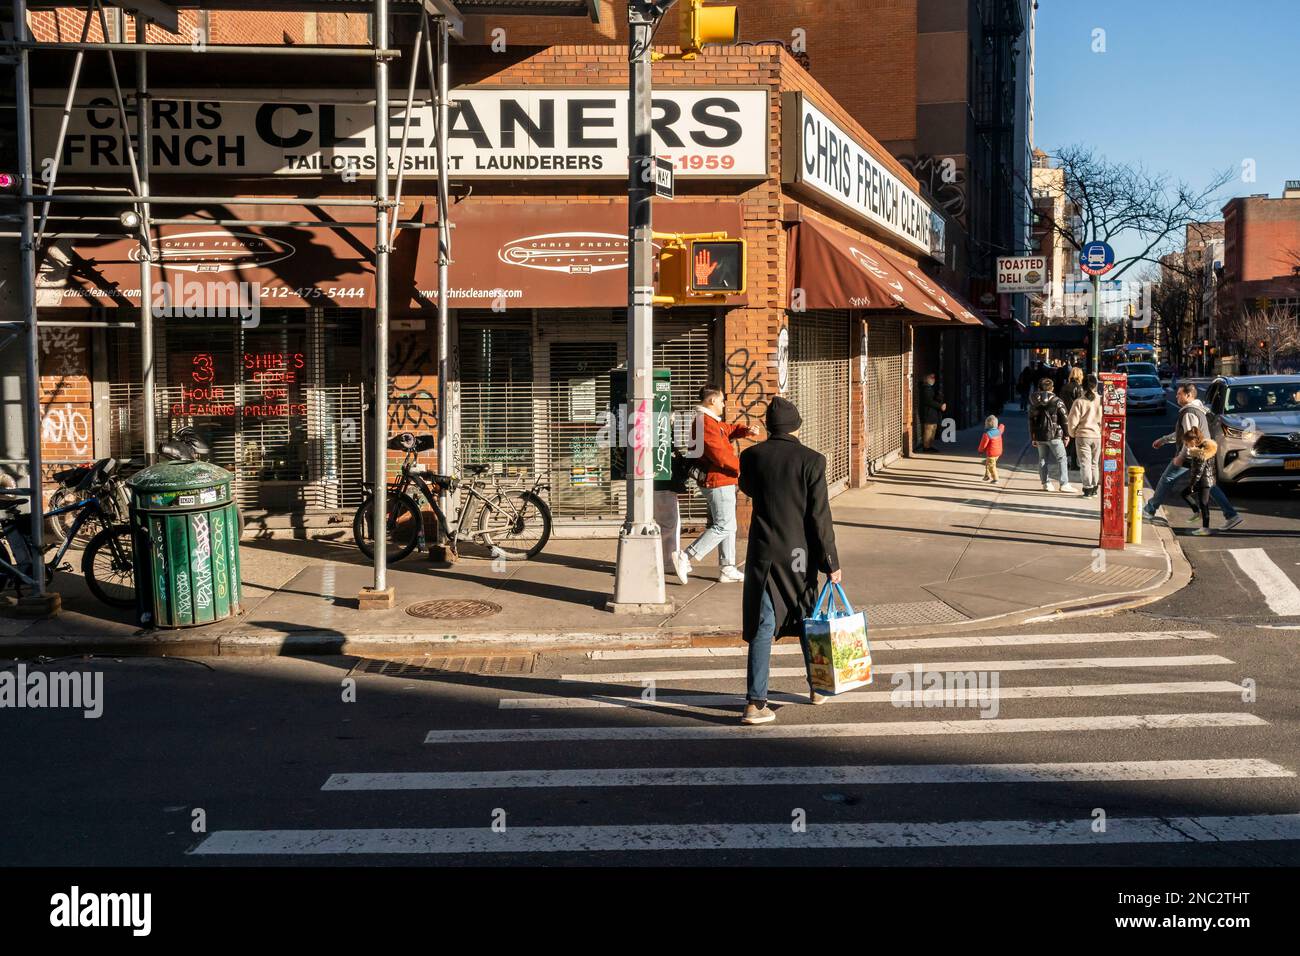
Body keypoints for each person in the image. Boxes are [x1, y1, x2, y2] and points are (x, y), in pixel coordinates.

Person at [736, 397, 840, 726]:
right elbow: (819, 517)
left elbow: (748, 488)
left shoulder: (752, 456)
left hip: (765, 554)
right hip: (800, 555)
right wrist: (830, 562)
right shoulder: (812, 461)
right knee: (809, 621)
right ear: (798, 426)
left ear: (769, 426)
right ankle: (818, 687)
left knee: (764, 627)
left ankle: (755, 703)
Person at [670, 385, 754, 585]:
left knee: (727, 525)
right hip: (717, 480)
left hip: (720, 479)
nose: (724, 404)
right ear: (711, 401)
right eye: (722, 400)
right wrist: (742, 469)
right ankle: (686, 556)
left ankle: (728, 567)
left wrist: (744, 431)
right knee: (724, 525)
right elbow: (720, 455)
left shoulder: (709, 422)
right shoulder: (704, 423)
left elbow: (727, 429)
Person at [1143, 382, 1243, 531]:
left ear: (1188, 395)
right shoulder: (1197, 410)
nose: (1176, 396)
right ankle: (1231, 515)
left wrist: (1181, 457)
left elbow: (1189, 438)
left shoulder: (1189, 412)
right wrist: (1163, 440)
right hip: (1202, 454)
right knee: (1210, 484)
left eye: (1179, 394)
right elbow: (1182, 434)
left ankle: (1149, 510)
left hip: (1192, 455)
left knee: (1167, 478)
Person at [1028, 377, 1075, 493]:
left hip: (1039, 435)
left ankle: (1046, 483)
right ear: (1052, 388)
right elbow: (1064, 419)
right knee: (1061, 458)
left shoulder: (1034, 401)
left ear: (1039, 388)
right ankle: (1064, 484)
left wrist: (1033, 436)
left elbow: (1031, 420)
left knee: (1042, 459)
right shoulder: (1057, 401)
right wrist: (1066, 435)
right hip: (1054, 435)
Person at [1067, 373, 1103, 497]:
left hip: (1082, 435)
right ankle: (1094, 488)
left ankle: (1087, 488)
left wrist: (1072, 433)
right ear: (1096, 385)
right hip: (1097, 435)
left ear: (1083, 386)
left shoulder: (1079, 402)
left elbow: (1072, 421)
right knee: (1094, 464)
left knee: (1085, 463)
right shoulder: (1101, 400)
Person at [1178, 426, 1218, 536]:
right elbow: (1196, 467)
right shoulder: (1203, 449)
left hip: (1203, 482)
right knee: (1185, 494)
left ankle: (1205, 528)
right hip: (1204, 480)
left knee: (1204, 503)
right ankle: (1197, 512)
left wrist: (1192, 484)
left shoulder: (1201, 453)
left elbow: (1199, 471)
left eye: (1187, 443)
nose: (1186, 445)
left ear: (1194, 441)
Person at [1060, 367, 1085, 469]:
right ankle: (1074, 464)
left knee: (1066, 439)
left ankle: (1065, 462)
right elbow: (1080, 404)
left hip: (1064, 415)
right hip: (1075, 416)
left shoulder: (1064, 387)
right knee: (1074, 440)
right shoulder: (1079, 388)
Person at [919, 372, 946, 451]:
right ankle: (926, 447)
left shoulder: (930, 388)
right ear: (927, 379)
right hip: (928, 413)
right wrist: (940, 406)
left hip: (932, 413)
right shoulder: (925, 389)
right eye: (931, 378)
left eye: (933, 378)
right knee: (929, 430)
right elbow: (929, 401)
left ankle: (929, 445)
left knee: (933, 430)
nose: (933, 380)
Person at [978, 414, 1005, 482]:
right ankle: (987, 476)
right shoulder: (999, 431)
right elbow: (1002, 427)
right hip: (998, 452)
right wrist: (1001, 424)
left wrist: (980, 450)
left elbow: (983, 444)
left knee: (991, 466)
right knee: (988, 463)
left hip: (991, 453)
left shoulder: (987, 434)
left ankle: (995, 479)